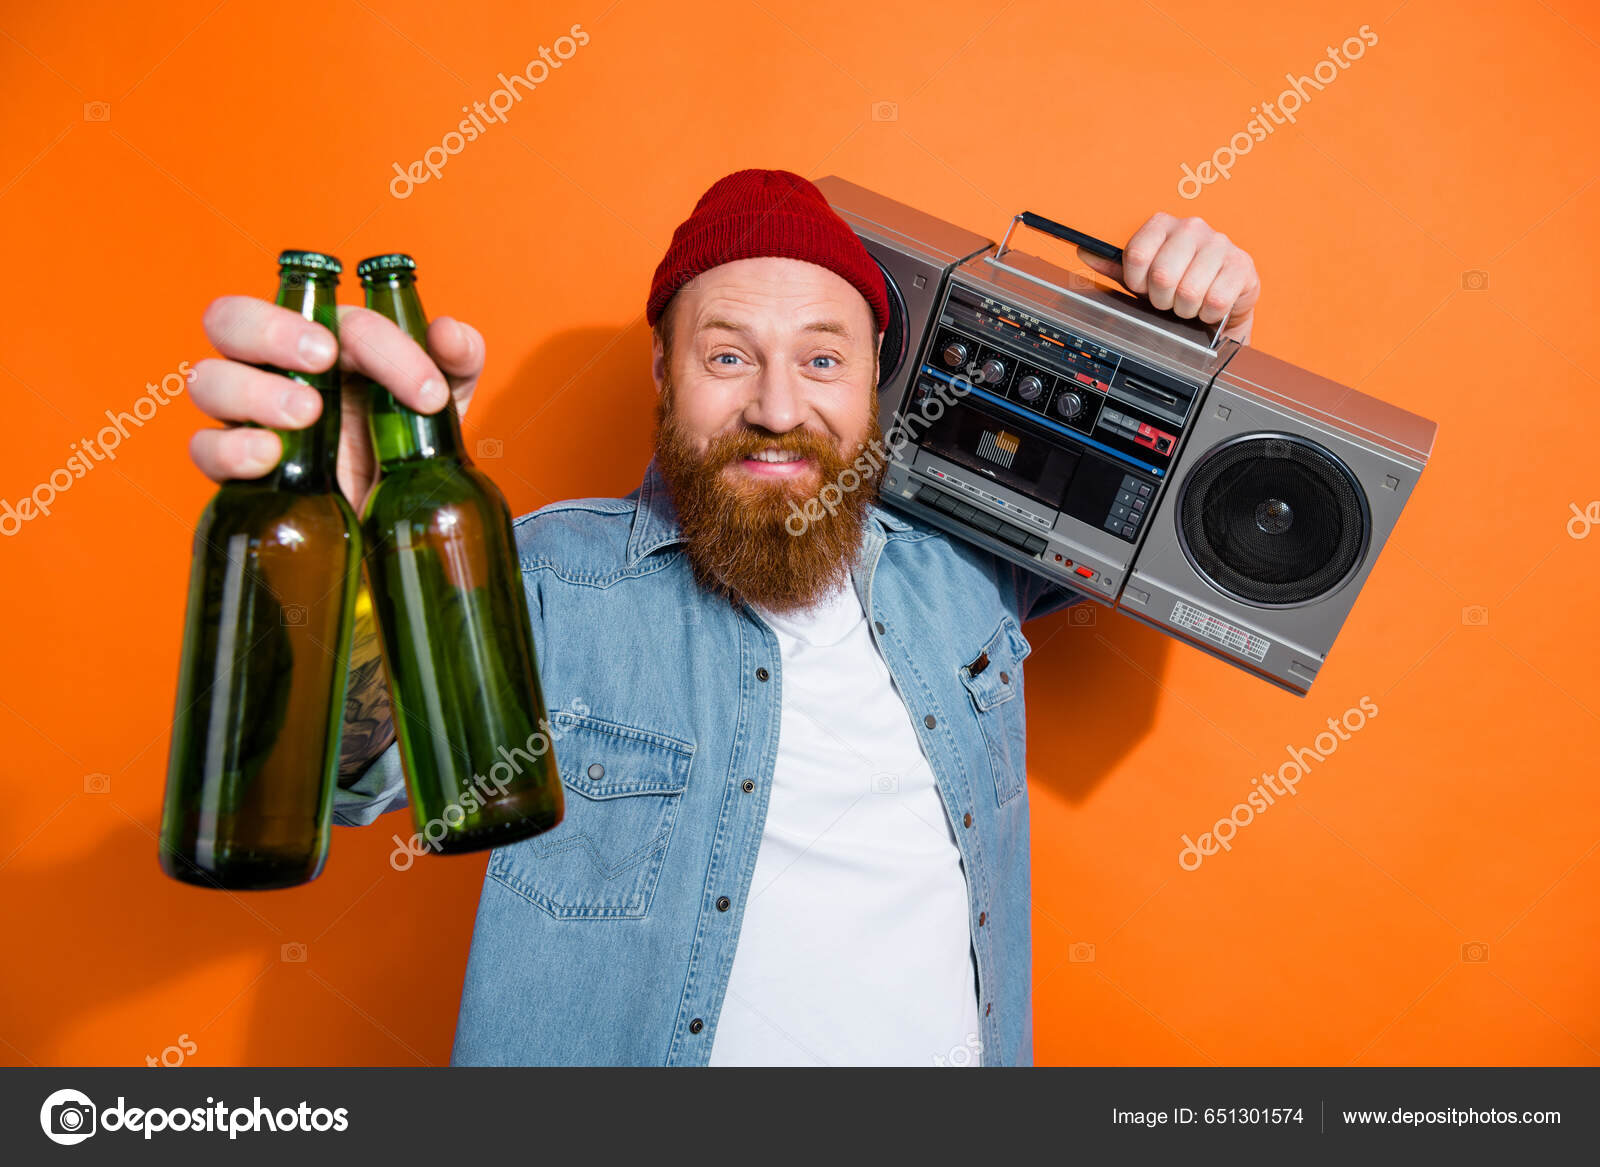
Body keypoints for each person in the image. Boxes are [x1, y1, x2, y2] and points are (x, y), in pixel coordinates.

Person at [188, 169, 1260, 1066]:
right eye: (728, 355)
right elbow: (344, 778)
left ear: (877, 386)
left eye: (823, 359)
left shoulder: (970, 568)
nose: (779, 407)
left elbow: (1188, 499)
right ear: (662, 372)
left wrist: (1200, 325)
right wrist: (354, 552)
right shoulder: (546, 578)